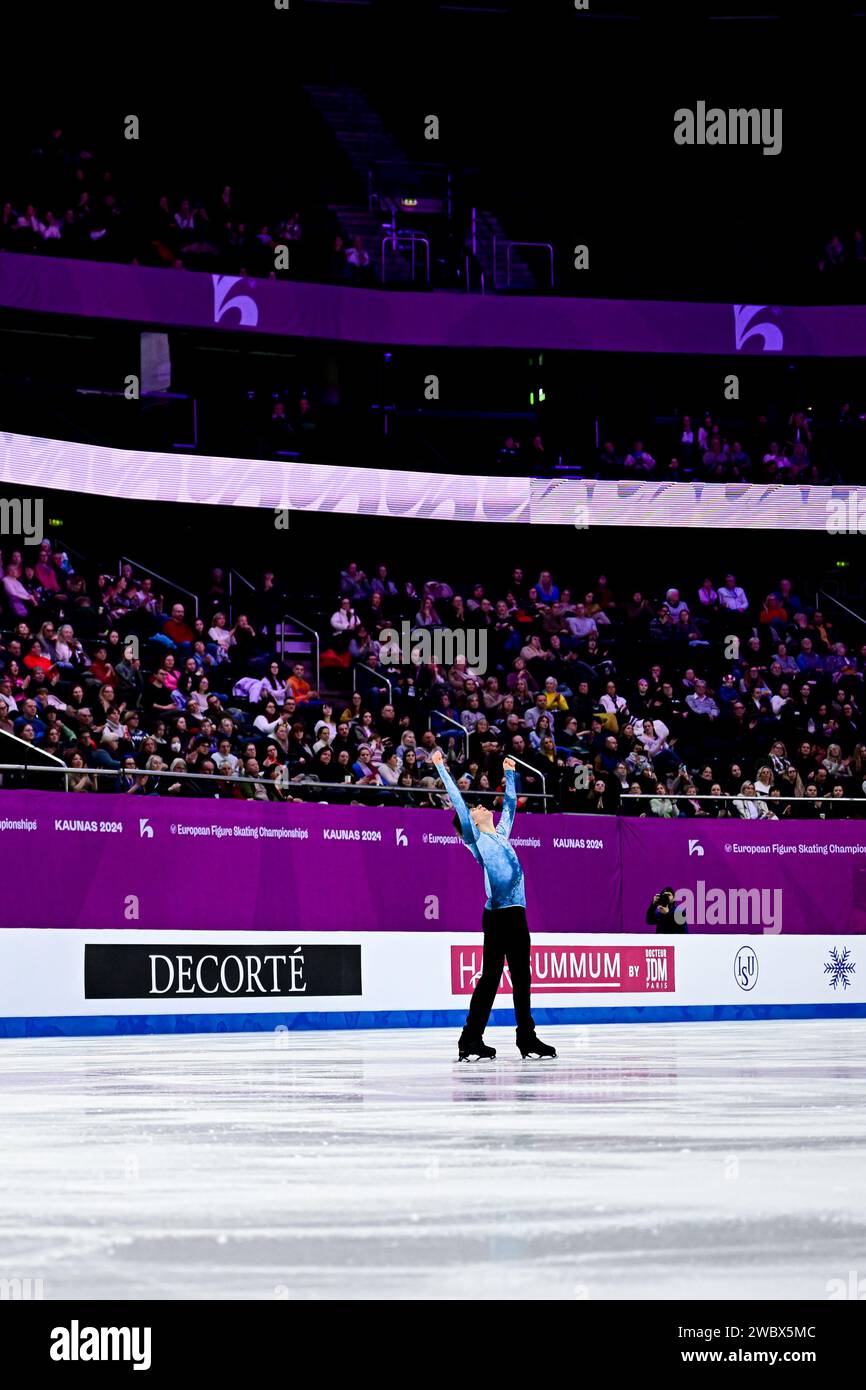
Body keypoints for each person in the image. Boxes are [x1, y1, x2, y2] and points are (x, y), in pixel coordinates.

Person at [430, 748, 556, 1062]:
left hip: (518, 915)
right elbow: (459, 803)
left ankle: (527, 1038)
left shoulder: (501, 833)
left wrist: (510, 773)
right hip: (498, 917)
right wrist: (441, 767)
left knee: (523, 977)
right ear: (469, 822)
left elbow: (511, 804)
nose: (481, 806)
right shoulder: (476, 840)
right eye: (476, 808)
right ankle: (470, 1038)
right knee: (490, 978)